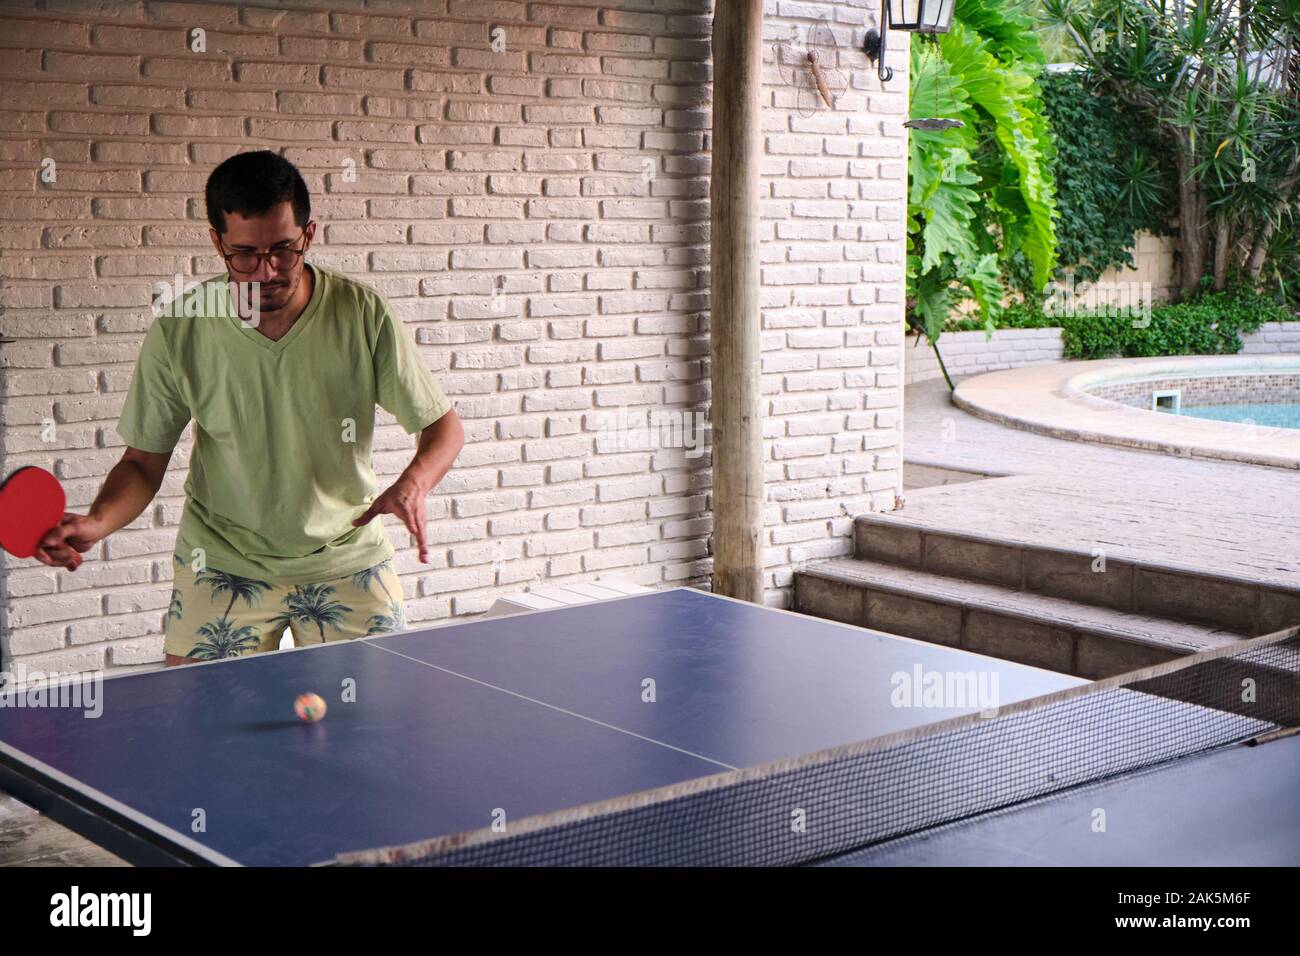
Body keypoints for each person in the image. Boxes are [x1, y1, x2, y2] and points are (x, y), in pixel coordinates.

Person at [34, 150, 464, 664]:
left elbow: (443, 426)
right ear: (218, 242)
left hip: (345, 557)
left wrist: (413, 483)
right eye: (245, 254)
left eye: (284, 249)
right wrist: (99, 523)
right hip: (220, 561)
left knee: (377, 731)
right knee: (201, 730)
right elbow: (141, 462)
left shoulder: (362, 313)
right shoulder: (182, 328)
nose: (268, 271)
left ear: (309, 232)